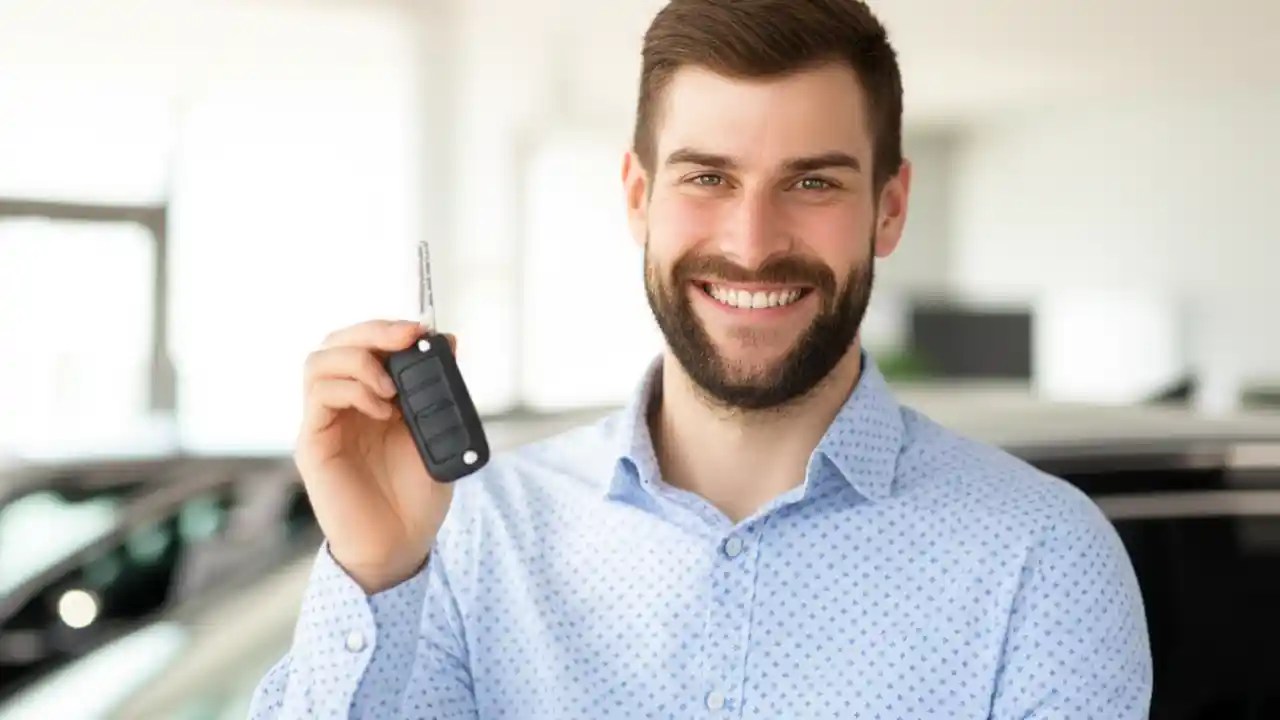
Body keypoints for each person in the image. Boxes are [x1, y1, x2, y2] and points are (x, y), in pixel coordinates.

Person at [248, 0, 1152, 717]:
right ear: (638, 197)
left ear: (889, 207)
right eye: (708, 178)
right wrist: (374, 570)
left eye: (812, 182)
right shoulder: (475, 537)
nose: (752, 244)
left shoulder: (1043, 558)